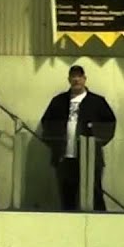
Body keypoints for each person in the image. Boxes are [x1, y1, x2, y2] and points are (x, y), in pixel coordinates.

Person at [39, 65, 116, 211]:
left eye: (79, 76)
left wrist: (95, 140)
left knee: (95, 194)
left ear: (84, 79)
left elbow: (109, 125)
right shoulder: (58, 101)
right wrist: (56, 145)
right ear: (69, 79)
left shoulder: (97, 102)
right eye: (73, 76)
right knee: (67, 195)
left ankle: (100, 223)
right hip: (65, 158)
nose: (76, 80)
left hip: (90, 158)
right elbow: (47, 124)